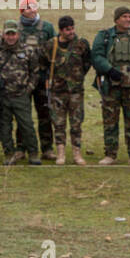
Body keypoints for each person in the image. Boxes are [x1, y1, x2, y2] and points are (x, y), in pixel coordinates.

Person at [91, 6, 130, 166]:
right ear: (117, 19)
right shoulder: (104, 36)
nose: (128, 19)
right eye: (124, 16)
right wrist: (109, 70)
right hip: (111, 88)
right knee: (110, 121)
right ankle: (110, 154)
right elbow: (96, 56)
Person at [0, 20, 42, 164]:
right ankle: (9, 153)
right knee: (4, 126)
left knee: (26, 125)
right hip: (2, 96)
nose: (11, 37)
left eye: (13, 34)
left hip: (21, 95)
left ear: (18, 34)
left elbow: (35, 72)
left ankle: (33, 153)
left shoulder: (27, 50)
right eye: (8, 34)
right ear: (3, 34)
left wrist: (28, 89)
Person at [41, 15, 93, 165]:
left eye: (72, 28)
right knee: (59, 123)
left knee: (76, 122)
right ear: (61, 30)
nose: (71, 32)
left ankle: (77, 153)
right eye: (67, 29)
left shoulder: (81, 44)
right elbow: (43, 63)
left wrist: (77, 76)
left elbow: (87, 62)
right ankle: (61, 153)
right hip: (57, 91)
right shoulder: (51, 45)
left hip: (76, 91)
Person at [17, 0, 58, 161]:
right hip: (22, 79)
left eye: (33, 7)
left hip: (42, 78)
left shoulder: (47, 27)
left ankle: (47, 148)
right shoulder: (16, 28)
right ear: (22, 11)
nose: (32, 10)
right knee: (22, 115)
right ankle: (21, 147)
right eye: (27, 8)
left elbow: (54, 49)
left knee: (45, 114)